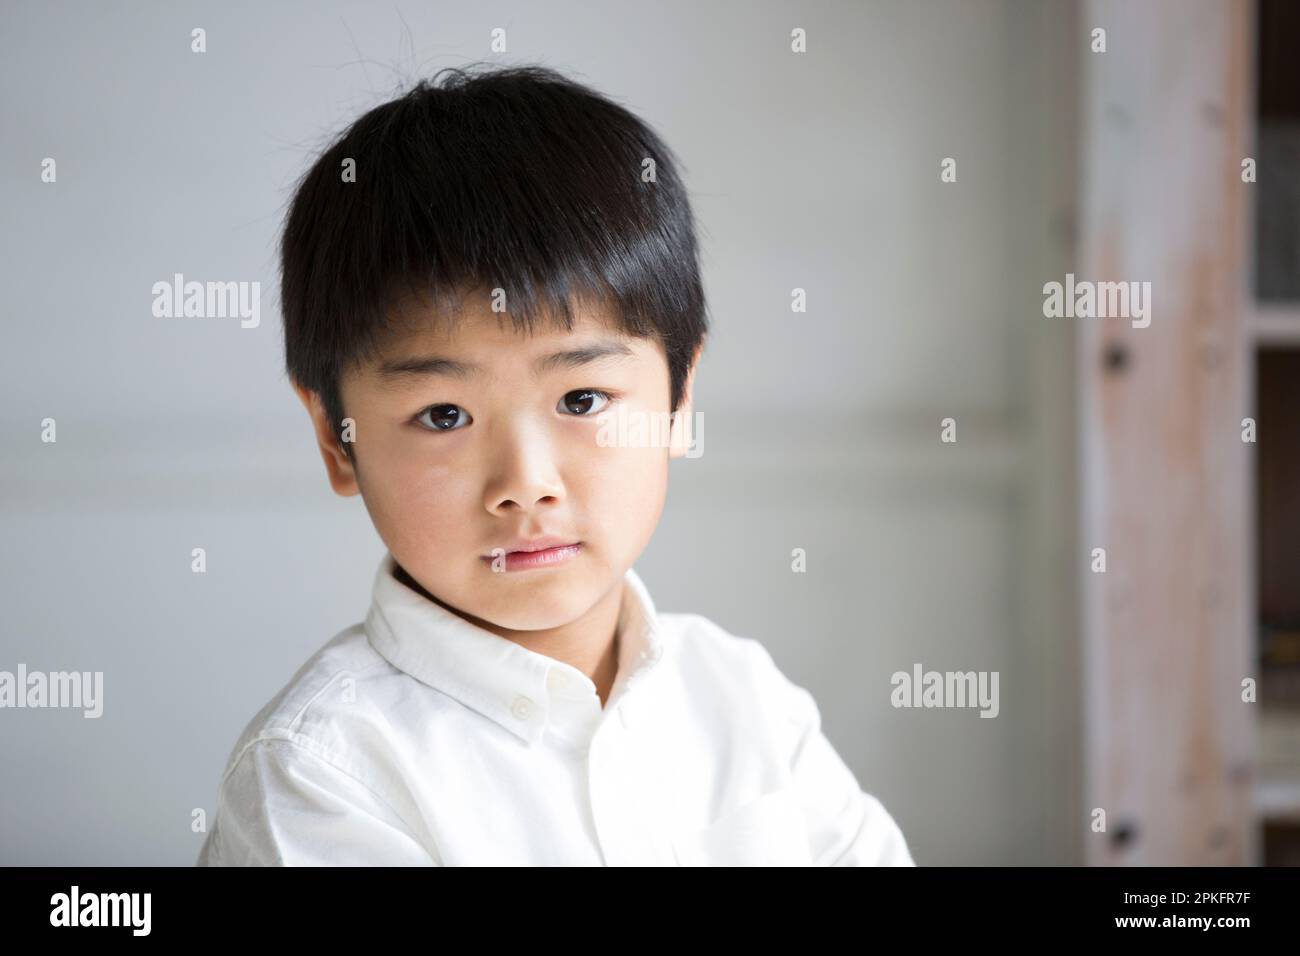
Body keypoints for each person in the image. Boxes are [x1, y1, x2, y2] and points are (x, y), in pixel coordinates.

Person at [197, 64, 914, 866]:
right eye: (444, 416)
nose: (525, 483)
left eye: (582, 401)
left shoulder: (742, 699)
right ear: (337, 437)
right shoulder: (320, 776)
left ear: (679, 399)